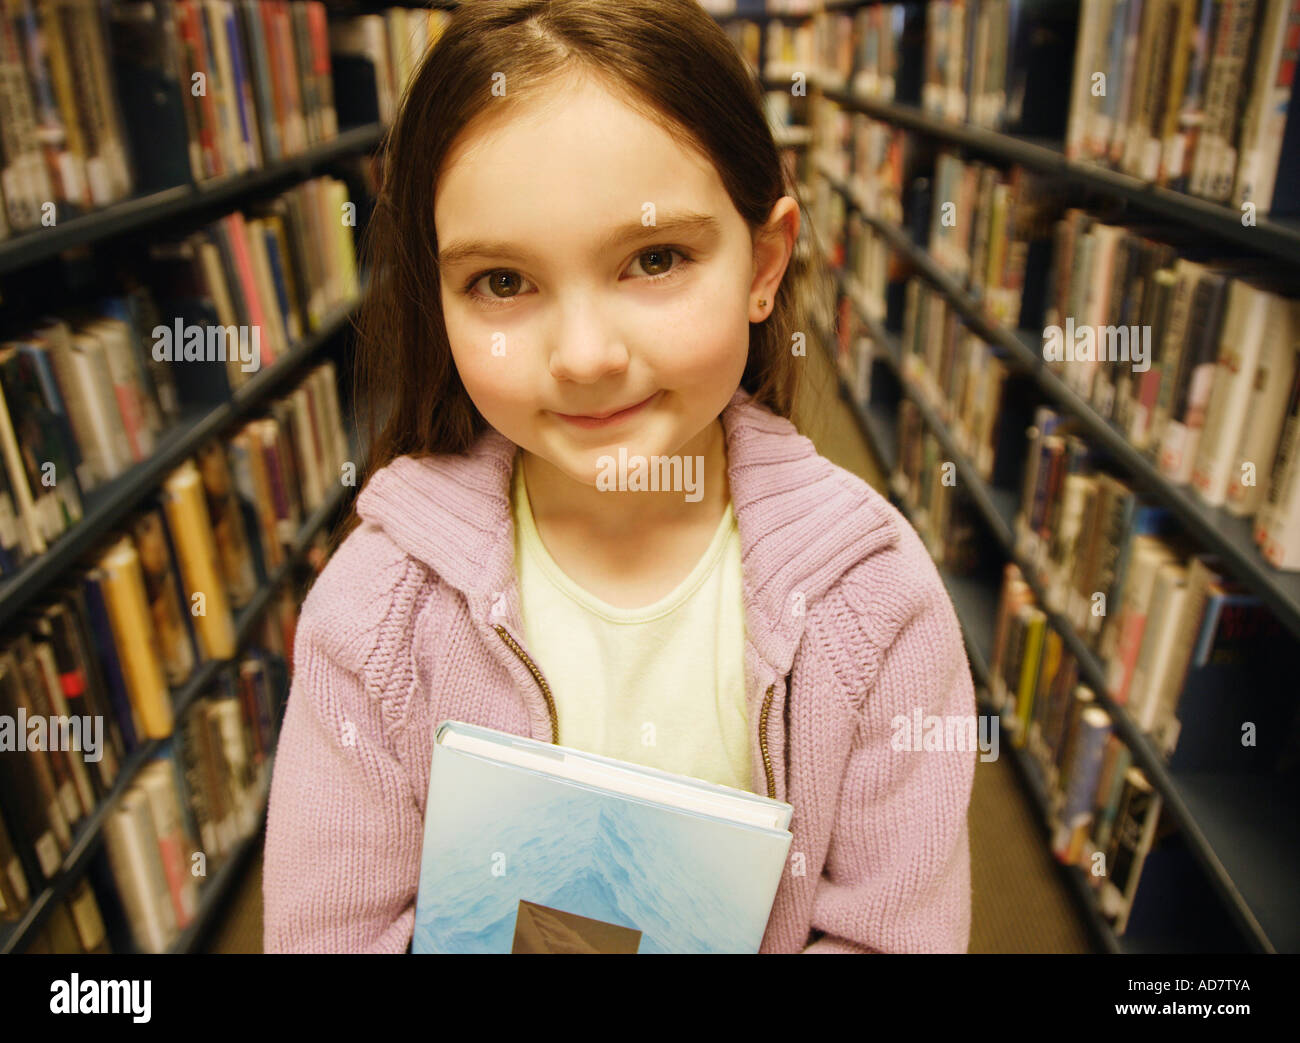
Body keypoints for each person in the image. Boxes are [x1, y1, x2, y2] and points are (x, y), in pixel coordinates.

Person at [263, 0, 975, 954]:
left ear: (764, 263)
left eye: (654, 259)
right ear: (437, 293)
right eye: (503, 282)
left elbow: (899, 931)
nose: (587, 355)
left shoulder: (877, 604)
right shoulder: (374, 616)